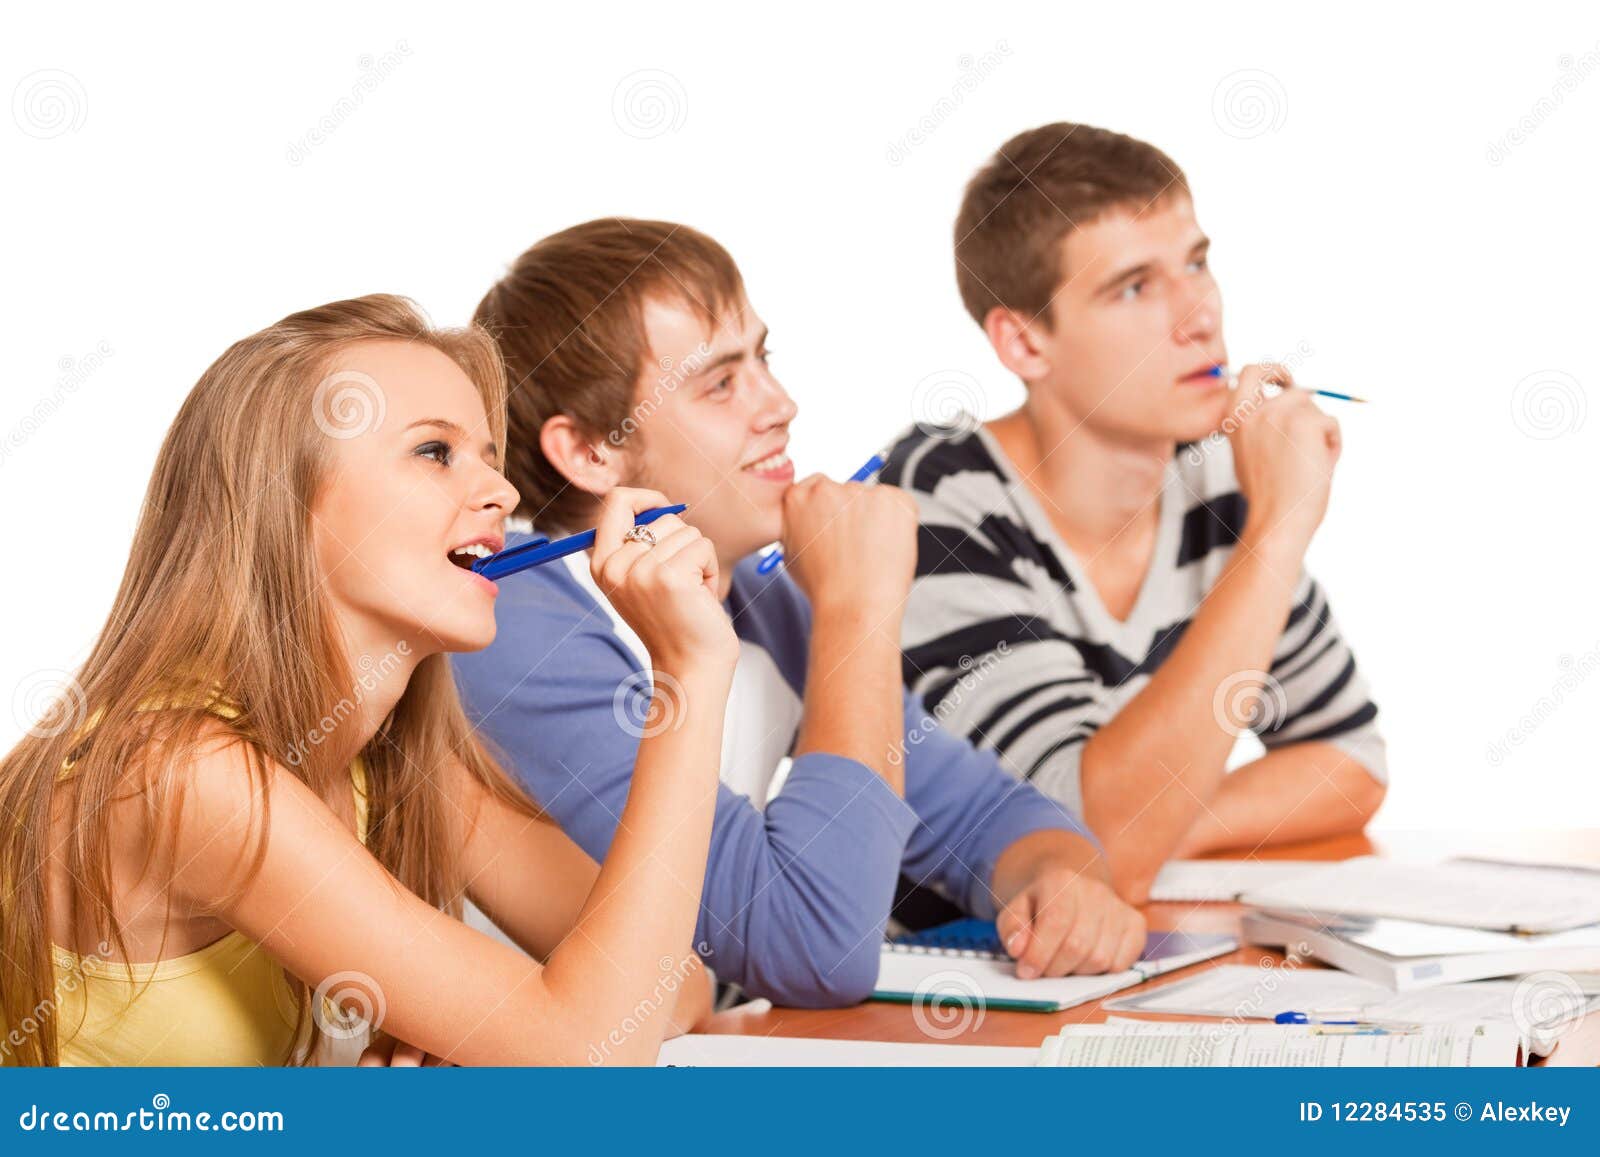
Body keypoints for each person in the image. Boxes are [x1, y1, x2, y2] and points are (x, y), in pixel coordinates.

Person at [0, 295, 730, 1066]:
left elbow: (672, 989)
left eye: (488, 456)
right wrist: (690, 671)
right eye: (435, 452)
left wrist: (471, 1023)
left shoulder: (393, 765)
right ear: (284, 505)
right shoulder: (186, 774)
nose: (504, 492)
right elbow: (593, 1051)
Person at [454, 219, 1146, 1009]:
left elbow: (986, 813)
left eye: (764, 359)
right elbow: (816, 949)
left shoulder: (757, 592)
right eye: (720, 383)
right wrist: (858, 611)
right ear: (589, 452)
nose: (782, 405)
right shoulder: (515, 630)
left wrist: (1060, 880)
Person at [881, 123, 1387, 905]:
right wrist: (1277, 532)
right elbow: (1086, 844)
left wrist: (1167, 824)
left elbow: (1349, 762)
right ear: (1024, 343)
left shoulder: (1216, 479)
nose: (1200, 316)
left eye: (1197, 263)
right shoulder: (940, 500)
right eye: (1134, 287)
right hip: (948, 971)